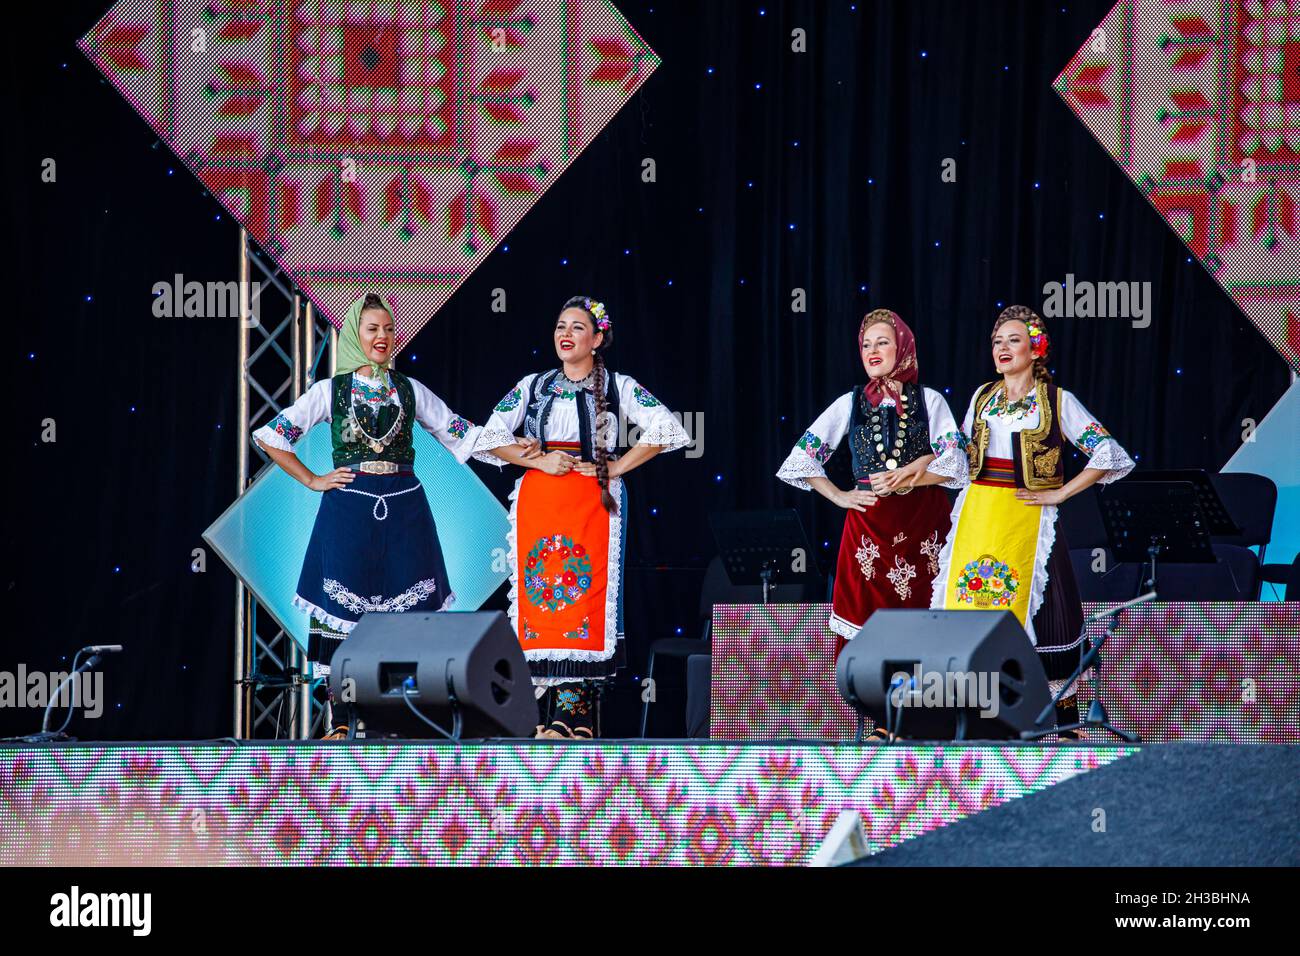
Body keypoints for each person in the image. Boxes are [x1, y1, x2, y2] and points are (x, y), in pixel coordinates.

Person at [252, 293, 484, 738]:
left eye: (388, 329)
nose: (382, 337)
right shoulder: (330, 391)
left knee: (407, 610)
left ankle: (397, 718)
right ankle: (343, 722)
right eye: (372, 329)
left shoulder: (410, 390)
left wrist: (523, 453)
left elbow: (463, 435)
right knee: (342, 610)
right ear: (355, 336)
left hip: (405, 509)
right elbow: (273, 437)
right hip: (349, 509)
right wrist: (313, 479)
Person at [474, 296, 690, 739]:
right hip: (540, 501)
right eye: (560, 326)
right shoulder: (533, 385)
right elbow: (489, 436)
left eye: (576, 327)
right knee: (543, 602)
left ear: (596, 339)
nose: (565, 334)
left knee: (581, 601)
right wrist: (537, 461)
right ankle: (546, 716)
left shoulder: (618, 386)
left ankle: (574, 716)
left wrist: (614, 466)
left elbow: (667, 428)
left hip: (593, 504)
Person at [931, 305, 1134, 734]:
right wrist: (918, 470)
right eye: (997, 342)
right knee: (972, 603)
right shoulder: (981, 397)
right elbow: (960, 457)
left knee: (1049, 611)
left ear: (1036, 348)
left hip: (1030, 517)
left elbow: (1108, 452)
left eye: (1013, 340)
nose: (1003, 349)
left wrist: (1061, 491)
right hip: (979, 515)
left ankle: (1063, 719)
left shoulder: (1058, 401)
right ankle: (984, 717)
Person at [777, 309, 968, 689]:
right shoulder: (849, 403)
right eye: (866, 344)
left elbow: (957, 462)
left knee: (924, 619)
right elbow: (802, 457)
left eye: (883, 342)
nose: (872, 351)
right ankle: (882, 717)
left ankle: (924, 714)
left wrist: (912, 478)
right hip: (868, 531)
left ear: (903, 348)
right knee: (871, 623)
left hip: (924, 528)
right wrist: (839, 495)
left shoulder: (929, 401)